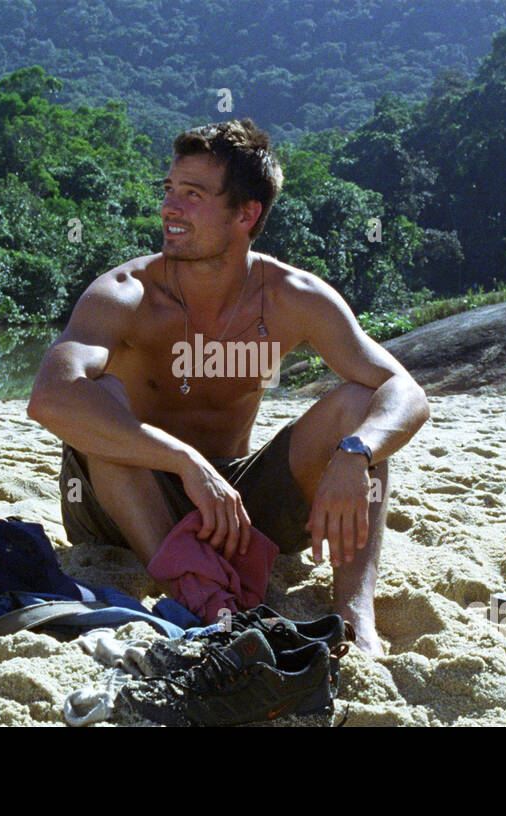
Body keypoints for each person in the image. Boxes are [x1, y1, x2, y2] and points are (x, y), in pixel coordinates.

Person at [27, 119, 429, 654]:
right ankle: (196, 592)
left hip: (234, 503)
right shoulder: (126, 292)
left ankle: (355, 616)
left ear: (246, 214)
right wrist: (183, 461)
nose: (170, 208)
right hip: (123, 504)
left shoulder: (292, 296)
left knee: (360, 406)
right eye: (169, 189)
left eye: (192, 195)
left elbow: (405, 390)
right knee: (102, 397)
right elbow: (51, 397)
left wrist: (356, 452)